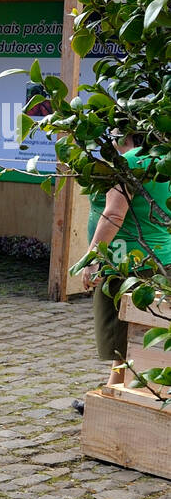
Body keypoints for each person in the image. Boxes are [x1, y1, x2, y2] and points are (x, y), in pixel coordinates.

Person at [75, 132, 171, 413]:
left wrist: (93, 259)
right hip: (157, 261)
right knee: (134, 341)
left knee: (127, 339)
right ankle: (112, 399)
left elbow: (114, 214)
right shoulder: (161, 159)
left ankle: (120, 406)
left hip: (129, 265)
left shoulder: (130, 162)